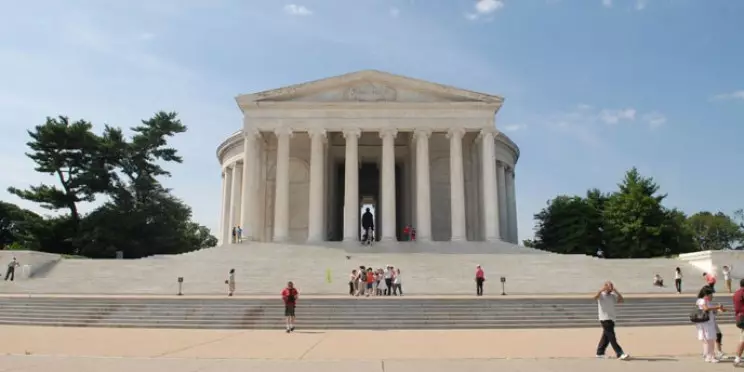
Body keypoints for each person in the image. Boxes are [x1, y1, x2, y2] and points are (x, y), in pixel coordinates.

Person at [593, 281, 630, 360]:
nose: (610, 288)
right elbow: (595, 297)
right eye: (609, 286)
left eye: (611, 286)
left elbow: (621, 300)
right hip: (604, 318)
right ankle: (620, 353)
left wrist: (616, 291)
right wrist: (601, 290)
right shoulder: (601, 295)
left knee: (606, 337)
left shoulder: (613, 295)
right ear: (605, 286)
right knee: (612, 337)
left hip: (611, 318)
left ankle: (600, 353)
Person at [695, 287, 723, 363]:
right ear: (706, 294)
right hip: (705, 324)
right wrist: (717, 307)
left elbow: (711, 310)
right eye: (711, 294)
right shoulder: (701, 300)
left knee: (712, 339)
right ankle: (709, 356)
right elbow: (706, 309)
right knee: (707, 340)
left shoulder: (707, 301)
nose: (712, 296)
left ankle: (710, 356)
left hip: (710, 323)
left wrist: (718, 309)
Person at [733, 278, 744, 365]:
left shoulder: (736, 293)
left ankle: (737, 358)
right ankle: (737, 358)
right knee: (743, 339)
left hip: (740, 317)